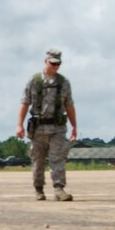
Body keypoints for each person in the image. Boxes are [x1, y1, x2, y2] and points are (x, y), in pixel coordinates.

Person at [16, 49, 78, 201]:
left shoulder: (64, 83)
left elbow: (69, 105)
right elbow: (24, 103)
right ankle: (39, 188)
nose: (56, 67)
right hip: (38, 128)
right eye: (53, 63)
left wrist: (74, 126)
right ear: (46, 62)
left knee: (58, 158)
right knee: (38, 160)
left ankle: (59, 189)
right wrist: (19, 125)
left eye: (58, 64)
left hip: (57, 127)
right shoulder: (34, 81)